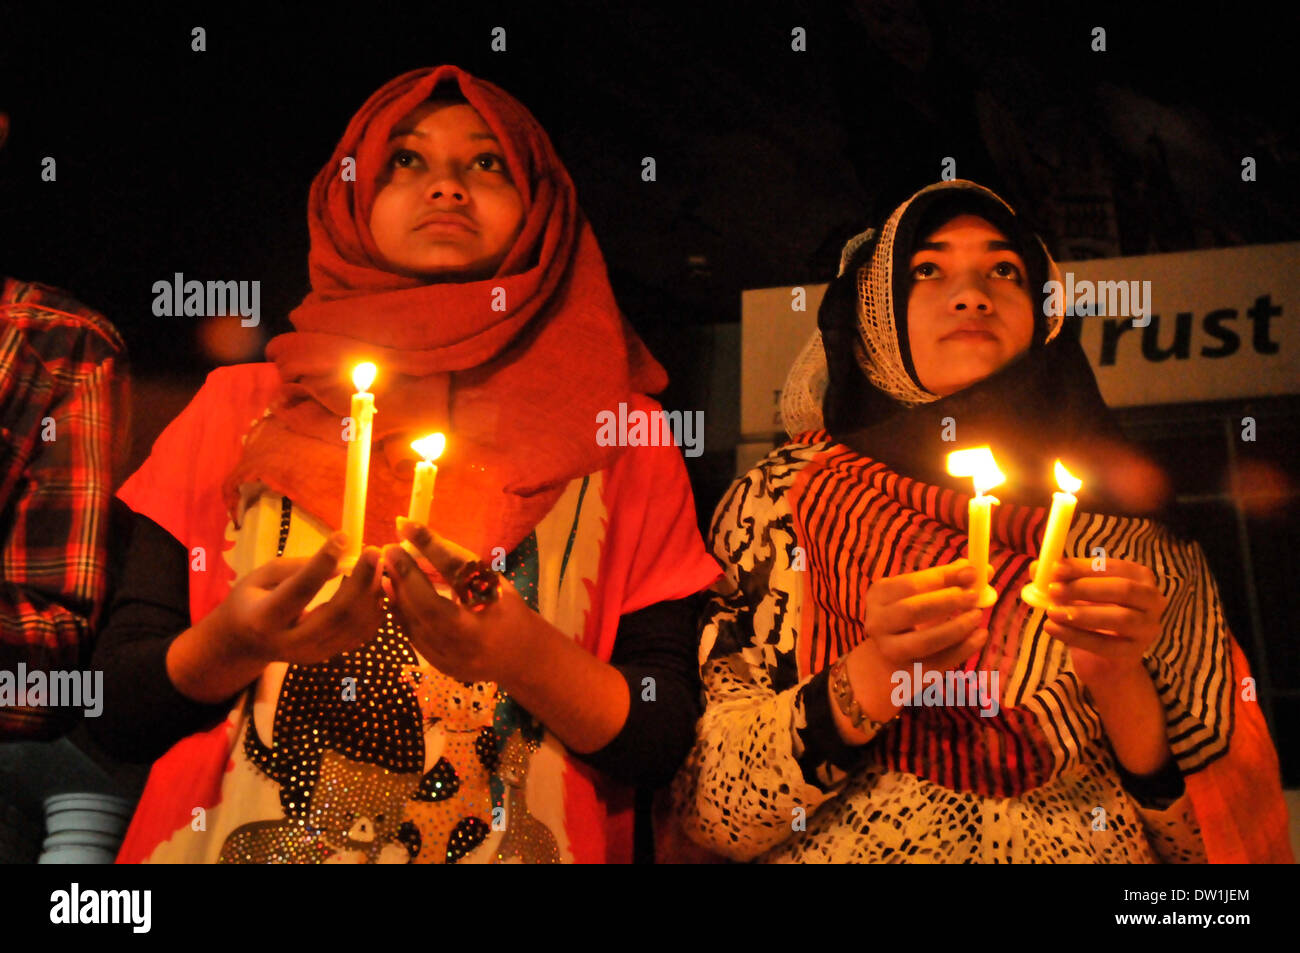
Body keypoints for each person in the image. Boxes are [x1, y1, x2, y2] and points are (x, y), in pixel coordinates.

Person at [90, 66, 720, 864]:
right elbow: (114, 707)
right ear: (349, 198)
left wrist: (521, 656)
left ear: (545, 208)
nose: (448, 187)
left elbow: (663, 736)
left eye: (488, 163)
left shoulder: (621, 432)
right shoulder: (237, 407)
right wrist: (236, 642)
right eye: (406, 161)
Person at [672, 179, 1292, 863]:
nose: (972, 294)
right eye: (927, 270)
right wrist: (878, 671)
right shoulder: (782, 505)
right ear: (876, 313)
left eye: (1004, 269)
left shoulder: (1130, 534)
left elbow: (1210, 860)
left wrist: (1119, 679)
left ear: (1044, 312)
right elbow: (710, 812)